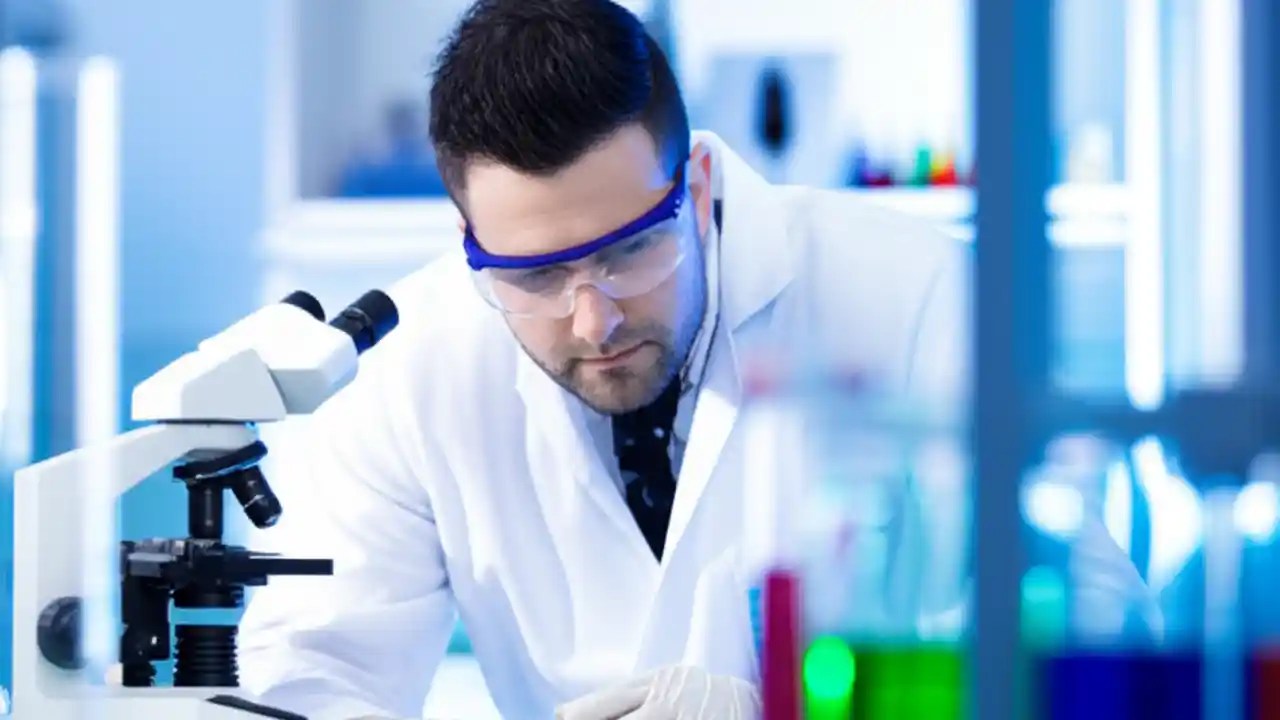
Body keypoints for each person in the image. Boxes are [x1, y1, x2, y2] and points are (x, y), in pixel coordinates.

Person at [236, 1, 1155, 718]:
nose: (592, 318)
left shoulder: (918, 296)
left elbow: (1100, 640)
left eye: (630, 249)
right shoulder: (411, 367)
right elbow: (305, 678)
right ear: (470, 237)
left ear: (700, 186)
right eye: (536, 272)